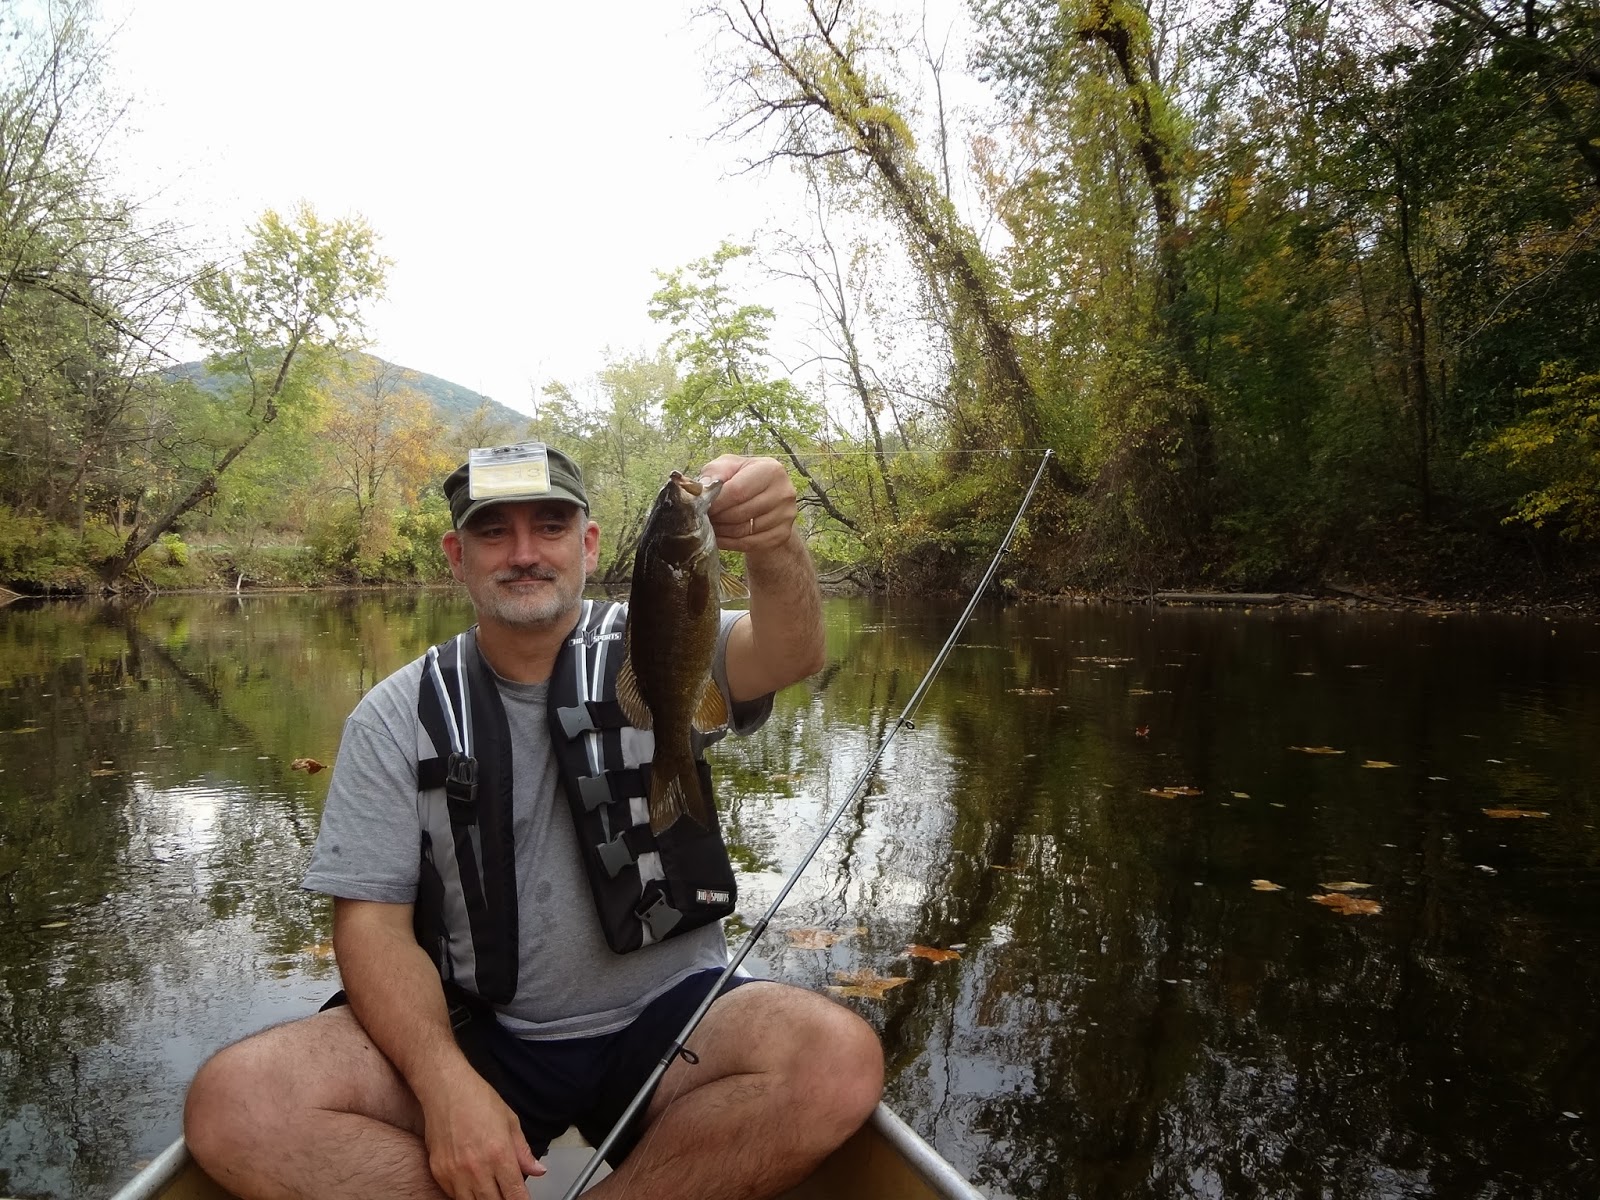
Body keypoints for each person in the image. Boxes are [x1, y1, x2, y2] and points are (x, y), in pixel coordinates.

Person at [183, 444, 885, 1200]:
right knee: (240, 1105)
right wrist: (445, 1084)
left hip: (672, 1020)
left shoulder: (656, 638)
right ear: (457, 555)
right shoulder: (393, 717)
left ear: (586, 545)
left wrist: (775, 544)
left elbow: (793, 650)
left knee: (834, 1058)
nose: (524, 554)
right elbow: (372, 928)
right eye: (494, 533)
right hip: (479, 1029)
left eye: (550, 527)